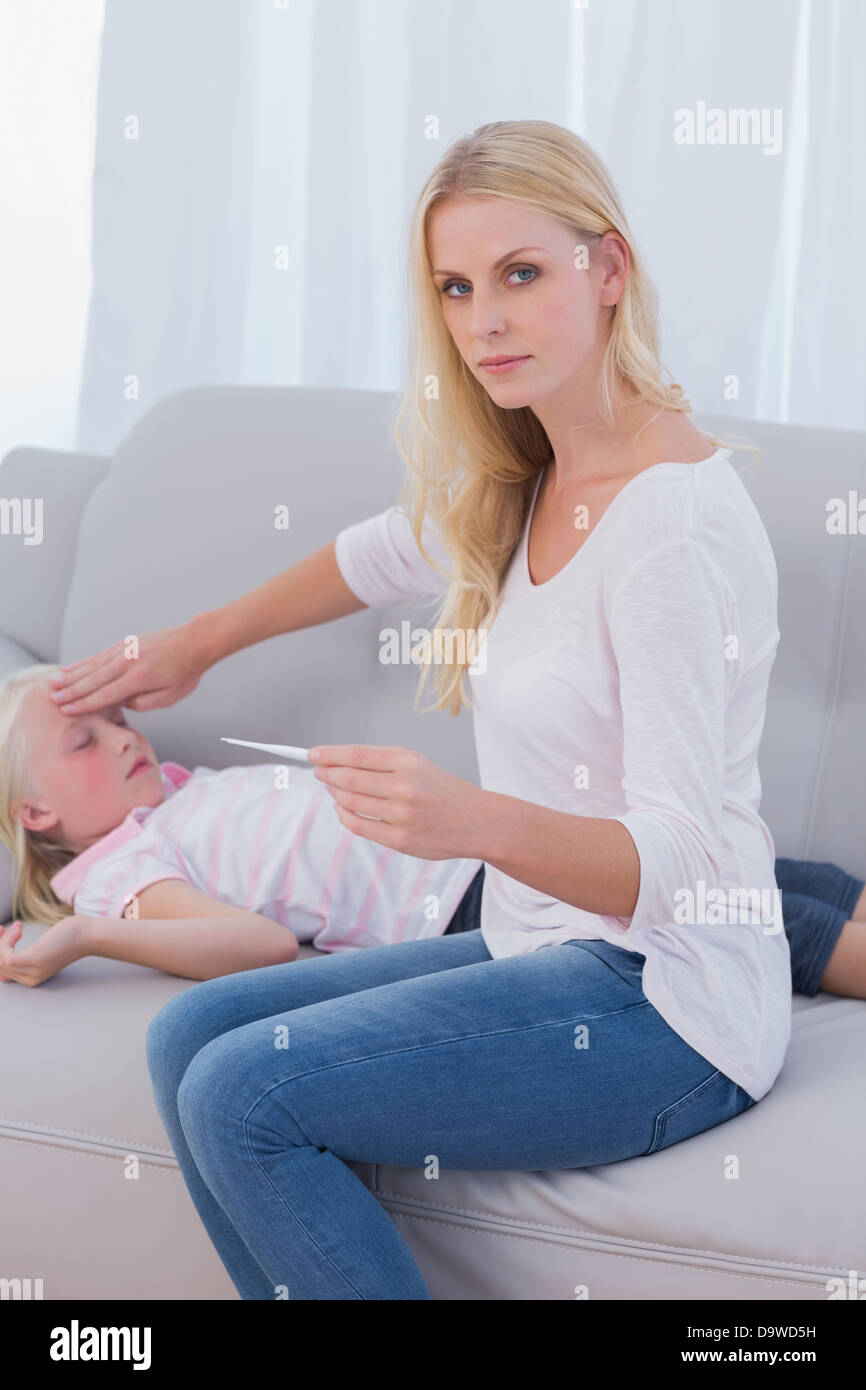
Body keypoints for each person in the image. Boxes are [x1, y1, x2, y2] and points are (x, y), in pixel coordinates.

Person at [34, 120, 850, 1300]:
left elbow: (683, 864)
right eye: (456, 288)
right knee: (180, 1043)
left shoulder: (669, 531)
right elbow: (373, 556)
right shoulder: (532, 472)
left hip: (665, 1008)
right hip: (542, 945)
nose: (483, 321)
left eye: (519, 274)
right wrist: (196, 644)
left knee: (238, 1092)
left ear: (606, 270)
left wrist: (469, 822)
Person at [0, 664, 482, 985]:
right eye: (84, 741)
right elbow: (265, 943)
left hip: (464, 838)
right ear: (37, 812)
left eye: (118, 720)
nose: (124, 739)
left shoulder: (176, 792)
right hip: (448, 907)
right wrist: (88, 935)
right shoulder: (114, 875)